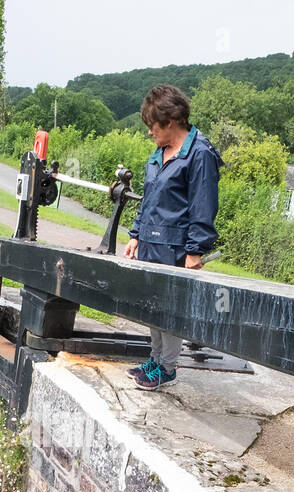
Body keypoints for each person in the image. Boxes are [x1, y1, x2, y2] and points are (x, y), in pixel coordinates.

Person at [122, 84, 222, 390]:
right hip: (151, 243)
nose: (150, 133)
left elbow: (202, 206)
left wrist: (195, 250)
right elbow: (149, 198)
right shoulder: (160, 152)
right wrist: (136, 235)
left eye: (153, 126)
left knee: (171, 308)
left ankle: (167, 368)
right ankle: (155, 359)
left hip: (177, 247)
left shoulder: (199, 154)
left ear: (170, 122)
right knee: (153, 305)